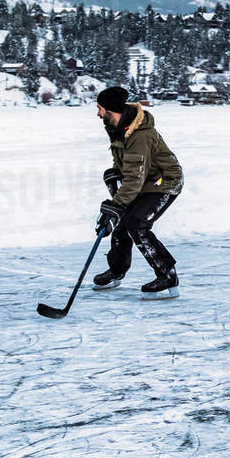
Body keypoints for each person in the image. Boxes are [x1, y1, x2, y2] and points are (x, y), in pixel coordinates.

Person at [91, 86, 184, 299]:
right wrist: (115, 189)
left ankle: (167, 274)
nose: (98, 114)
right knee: (123, 219)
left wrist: (116, 203)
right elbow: (124, 166)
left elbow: (135, 178)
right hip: (144, 180)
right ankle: (117, 270)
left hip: (164, 181)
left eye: (100, 109)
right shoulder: (119, 128)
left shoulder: (140, 135)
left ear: (111, 111)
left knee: (136, 223)